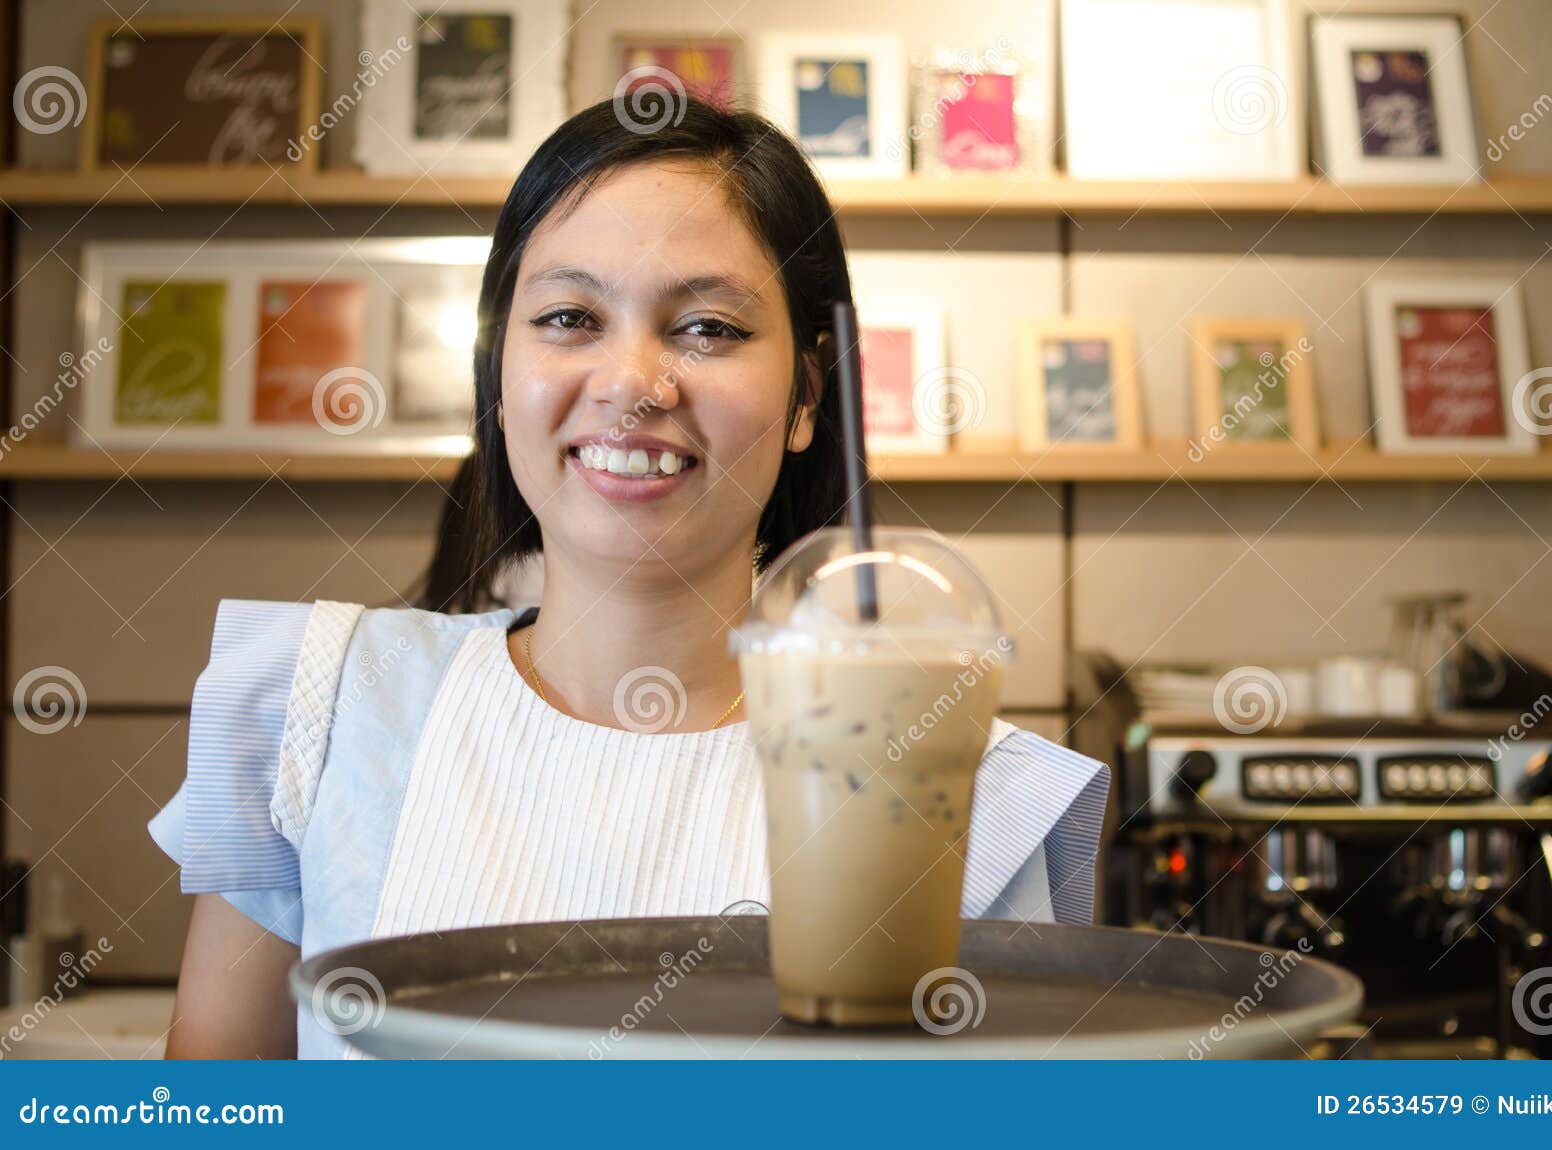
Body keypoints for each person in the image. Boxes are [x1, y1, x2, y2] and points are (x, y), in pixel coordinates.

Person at [148, 97, 1109, 1059]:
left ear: (809, 394)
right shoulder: (317, 707)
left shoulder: (958, 783)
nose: (634, 382)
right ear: (497, 369)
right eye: (571, 317)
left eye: (707, 329)